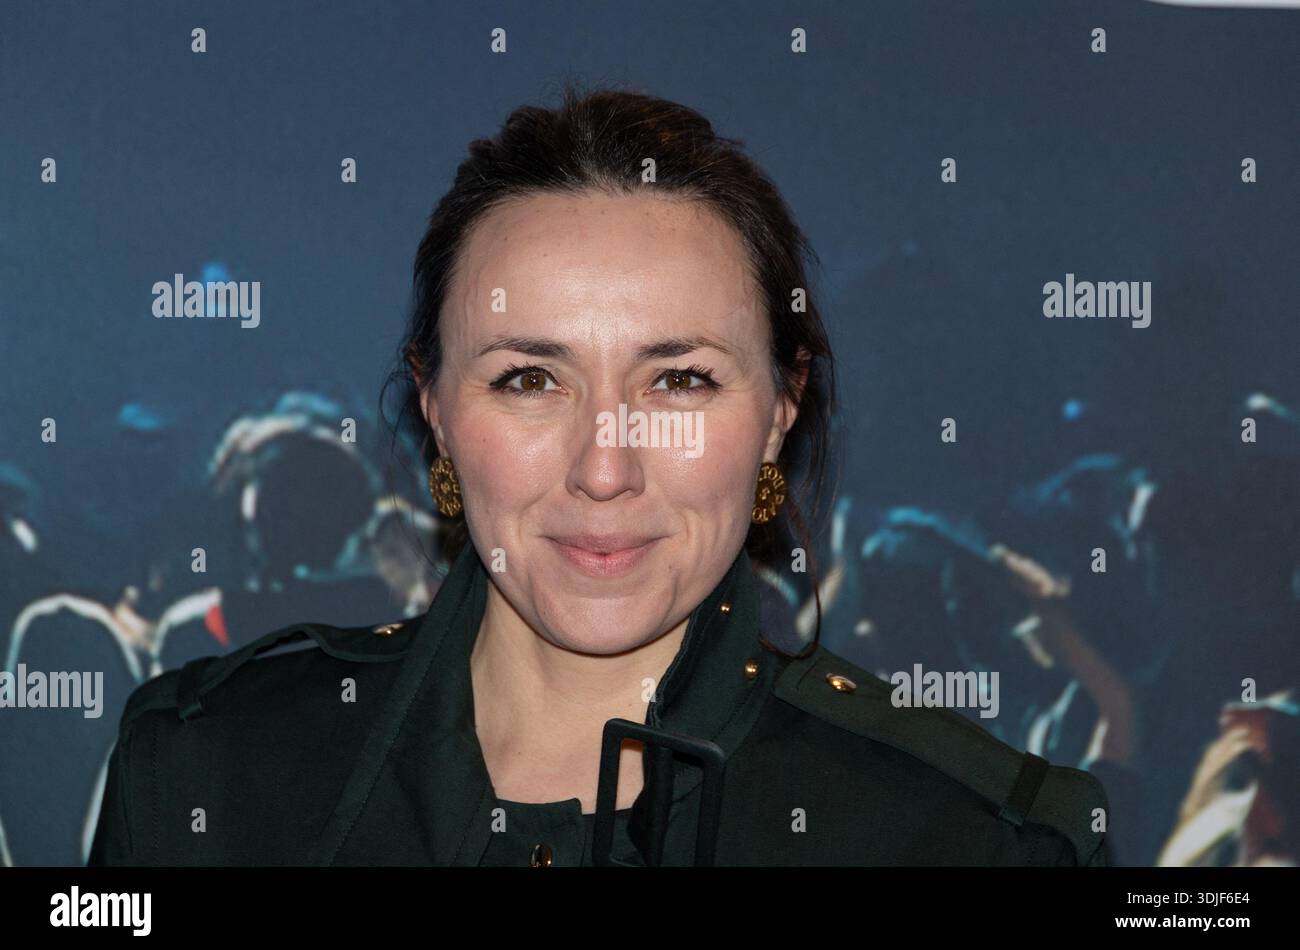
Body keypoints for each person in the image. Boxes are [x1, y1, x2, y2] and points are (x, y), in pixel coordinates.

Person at [87, 83, 1109, 866]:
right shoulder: (202, 772)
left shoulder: (976, 841)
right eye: (530, 376)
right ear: (434, 405)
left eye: (679, 379)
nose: (603, 466)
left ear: (779, 407)